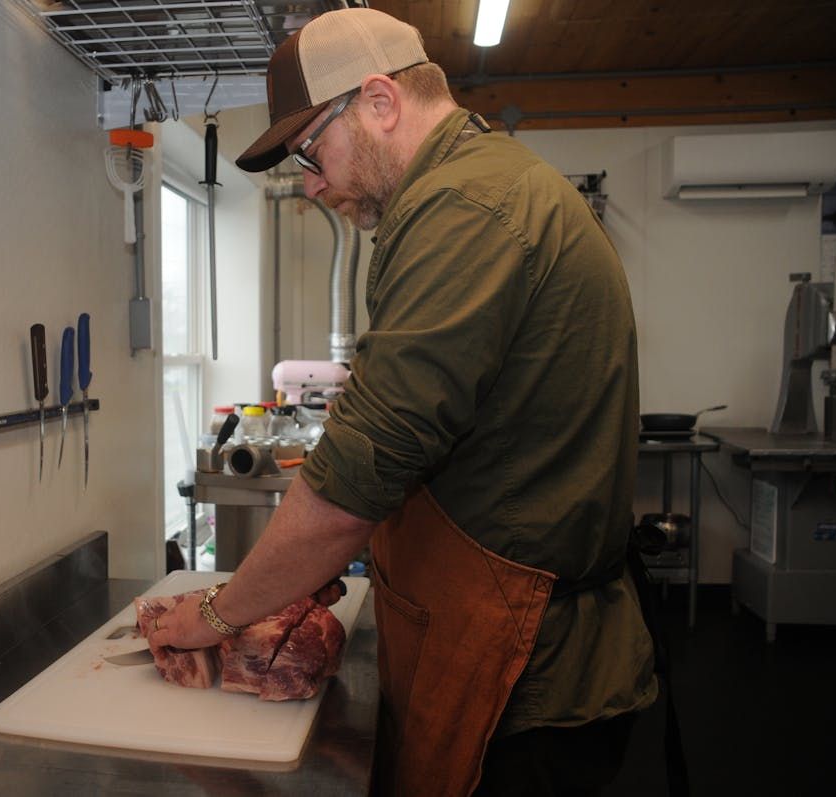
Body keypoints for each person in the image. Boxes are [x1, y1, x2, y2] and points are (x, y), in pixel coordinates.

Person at [148, 7, 657, 795]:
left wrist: (216, 613)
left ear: (381, 102)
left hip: (528, 681)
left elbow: (355, 480)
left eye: (311, 151)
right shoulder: (484, 189)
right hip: (507, 647)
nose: (312, 186)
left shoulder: (463, 210)